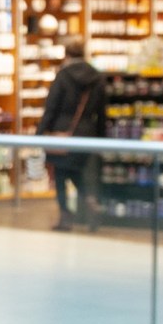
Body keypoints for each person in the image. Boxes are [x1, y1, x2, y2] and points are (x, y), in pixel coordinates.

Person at [38, 37, 107, 232]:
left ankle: (65, 217)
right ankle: (92, 207)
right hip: (87, 134)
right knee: (79, 174)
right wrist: (101, 139)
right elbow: (102, 112)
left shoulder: (63, 76)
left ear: (66, 55)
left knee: (60, 176)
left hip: (62, 133)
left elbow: (51, 107)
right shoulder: (97, 77)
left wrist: (40, 132)